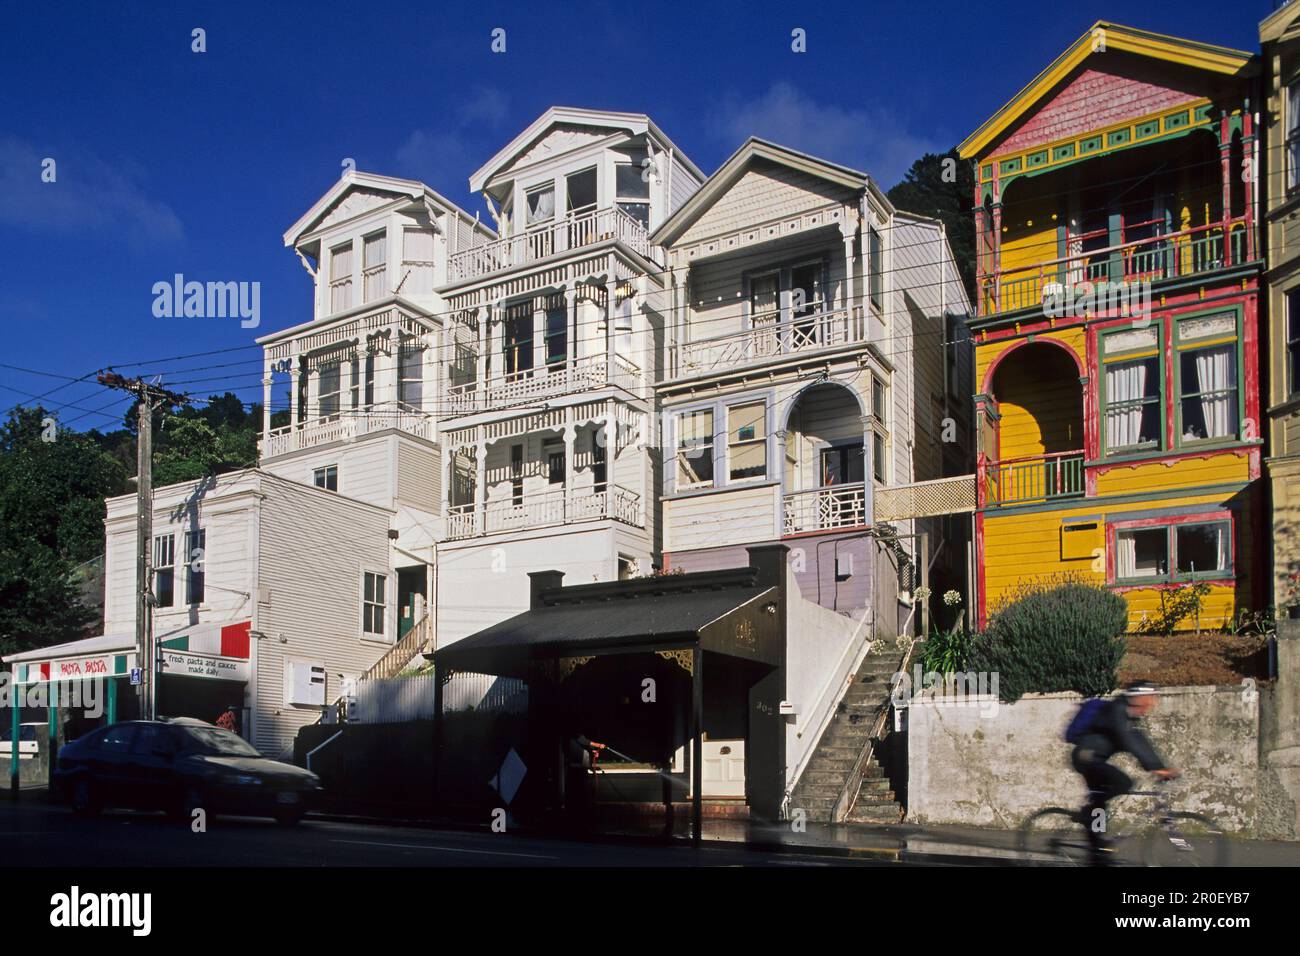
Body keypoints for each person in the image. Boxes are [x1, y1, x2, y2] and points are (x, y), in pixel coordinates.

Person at [1071, 681, 1180, 861]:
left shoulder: (1128, 716)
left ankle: (1096, 849)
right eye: (1150, 698)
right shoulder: (1117, 710)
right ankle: (1088, 818)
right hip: (1086, 757)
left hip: (1095, 759)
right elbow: (1129, 740)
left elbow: (1141, 741)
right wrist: (1156, 769)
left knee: (1100, 801)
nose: (1152, 703)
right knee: (1122, 783)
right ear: (1138, 696)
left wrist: (1161, 767)